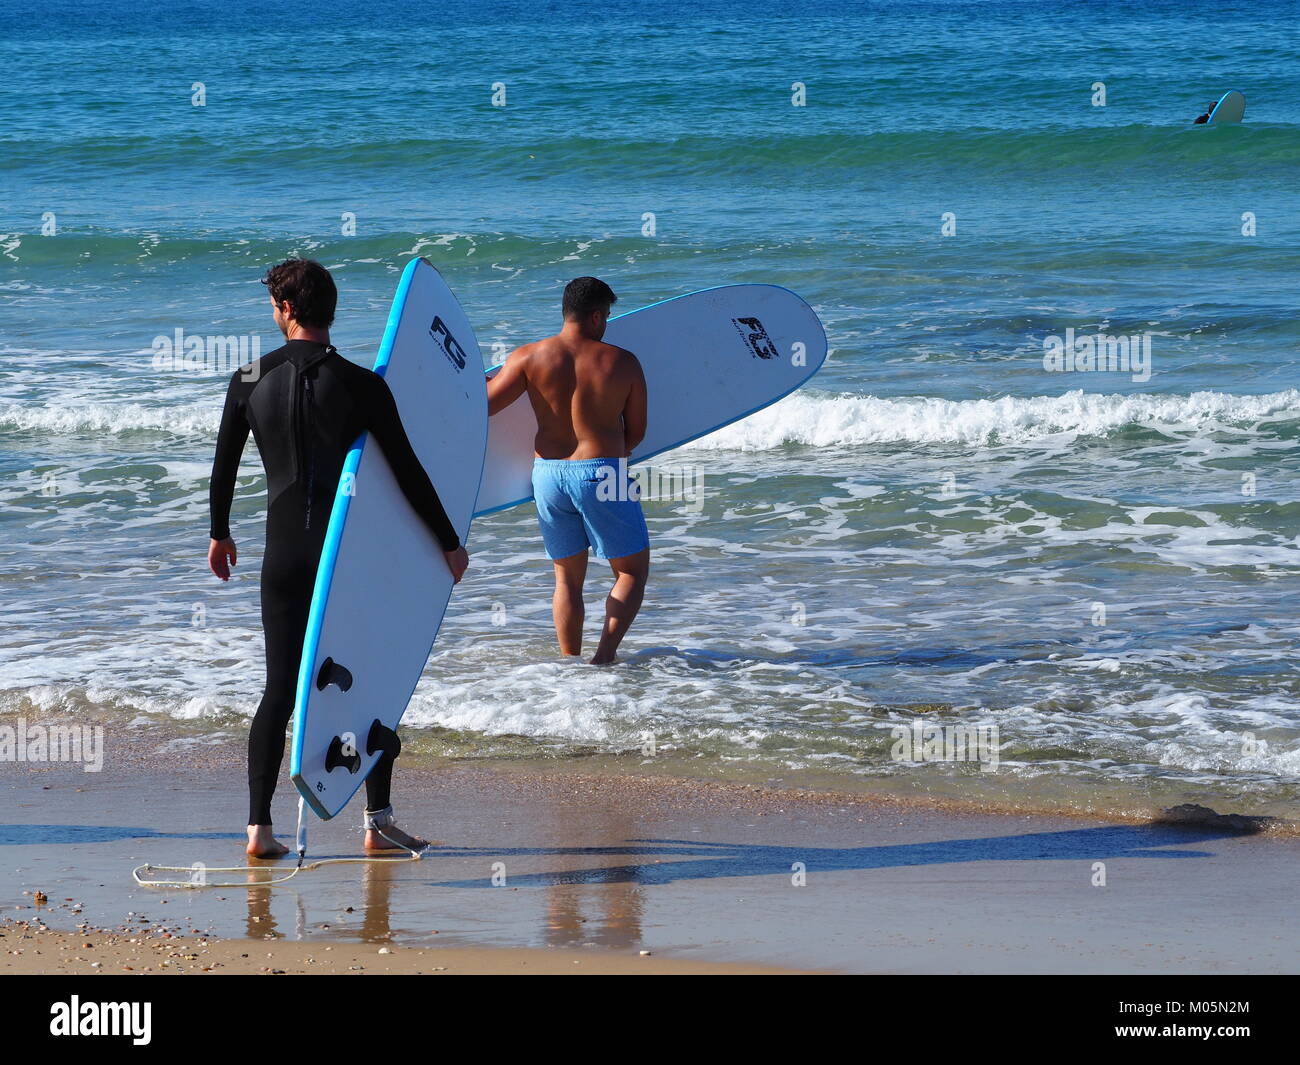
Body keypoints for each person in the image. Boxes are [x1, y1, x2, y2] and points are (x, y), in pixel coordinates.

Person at [208, 259, 469, 858]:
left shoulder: (248, 378)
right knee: (367, 688)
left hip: (282, 561)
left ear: (287, 310)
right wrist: (448, 543)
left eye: (274, 304)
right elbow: (407, 472)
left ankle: (259, 830)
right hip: (343, 567)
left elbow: (224, 465)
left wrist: (220, 533)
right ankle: (376, 822)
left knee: (280, 689)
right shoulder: (361, 384)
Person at [486, 277, 649, 665]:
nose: (606, 323)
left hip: (547, 475)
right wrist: (612, 458)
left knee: (566, 579)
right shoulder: (621, 361)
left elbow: (486, 406)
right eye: (606, 316)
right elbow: (638, 431)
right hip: (601, 472)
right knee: (630, 573)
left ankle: (570, 664)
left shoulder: (527, 357)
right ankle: (604, 657)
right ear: (596, 316)